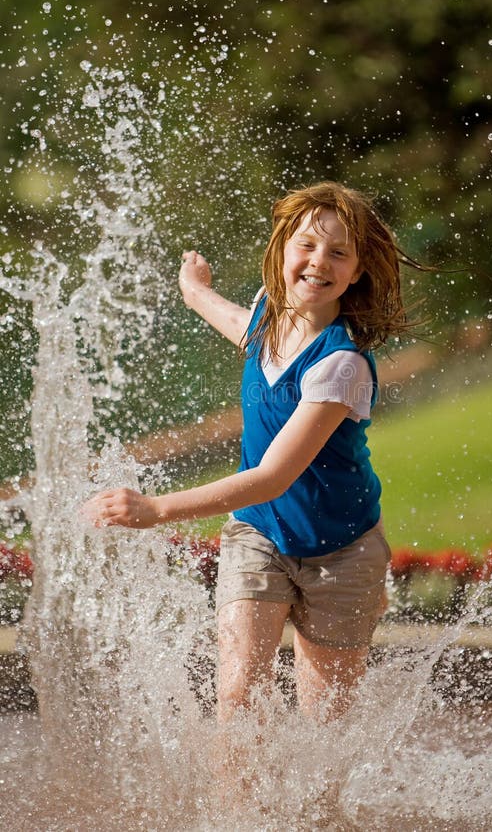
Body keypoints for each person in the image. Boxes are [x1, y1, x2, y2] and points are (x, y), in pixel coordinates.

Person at [83, 181, 425, 722]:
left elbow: (271, 476)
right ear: (282, 247)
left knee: (326, 722)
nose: (319, 263)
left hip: (343, 552)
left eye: (339, 253)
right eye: (307, 246)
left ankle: (318, 812)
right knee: (237, 695)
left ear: (357, 271)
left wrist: (157, 509)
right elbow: (246, 329)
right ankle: (233, 812)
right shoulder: (269, 314)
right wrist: (196, 293)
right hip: (258, 532)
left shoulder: (341, 364)